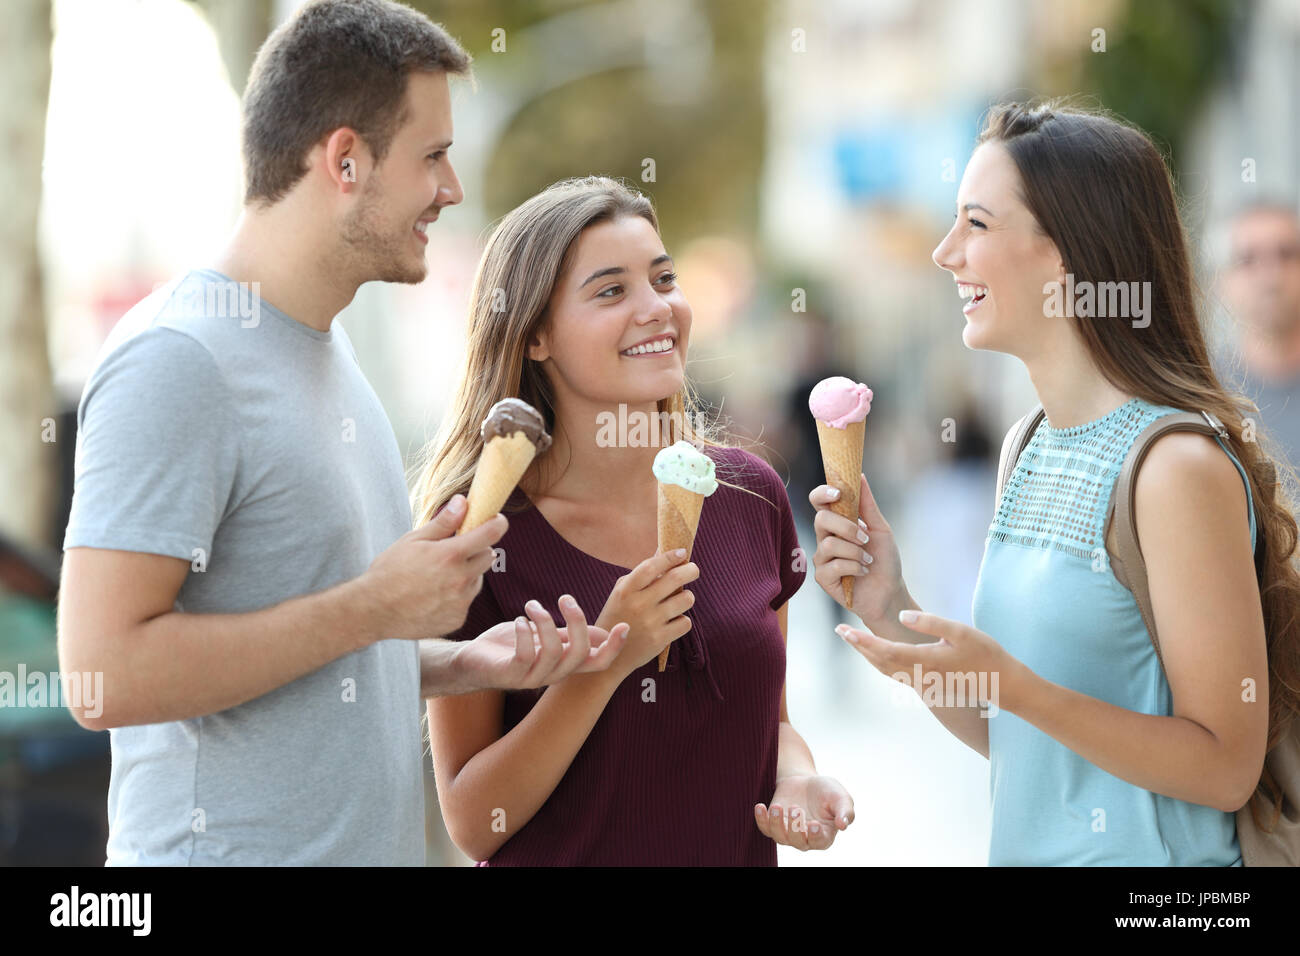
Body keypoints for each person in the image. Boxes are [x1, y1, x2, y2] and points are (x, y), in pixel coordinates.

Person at [57, 0, 625, 867]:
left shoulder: (329, 352)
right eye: (432, 156)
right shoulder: (178, 360)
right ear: (346, 159)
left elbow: (310, 651)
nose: (452, 188)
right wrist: (374, 608)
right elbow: (102, 675)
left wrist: (456, 664)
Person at [811, 101, 1300, 865]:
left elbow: (1226, 767)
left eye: (976, 224)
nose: (946, 252)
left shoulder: (1176, 468)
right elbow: (1020, 740)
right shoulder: (1026, 446)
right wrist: (892, 605)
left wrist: (1019, 688)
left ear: (1070, 252)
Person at [415, 176, 854, 865]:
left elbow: (771, 724)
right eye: (612, 290)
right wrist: (605, 666)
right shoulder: (483, 535)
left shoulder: (751, 495)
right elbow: (475, 823)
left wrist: (796, 779)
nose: (658, 309)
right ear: (535, 335)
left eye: (664, 279)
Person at [1217, 200, 1300, 466]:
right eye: (1249, 259)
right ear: (1223, 280)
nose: (1270, 276)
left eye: (1286, 254)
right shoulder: (1205, 392)